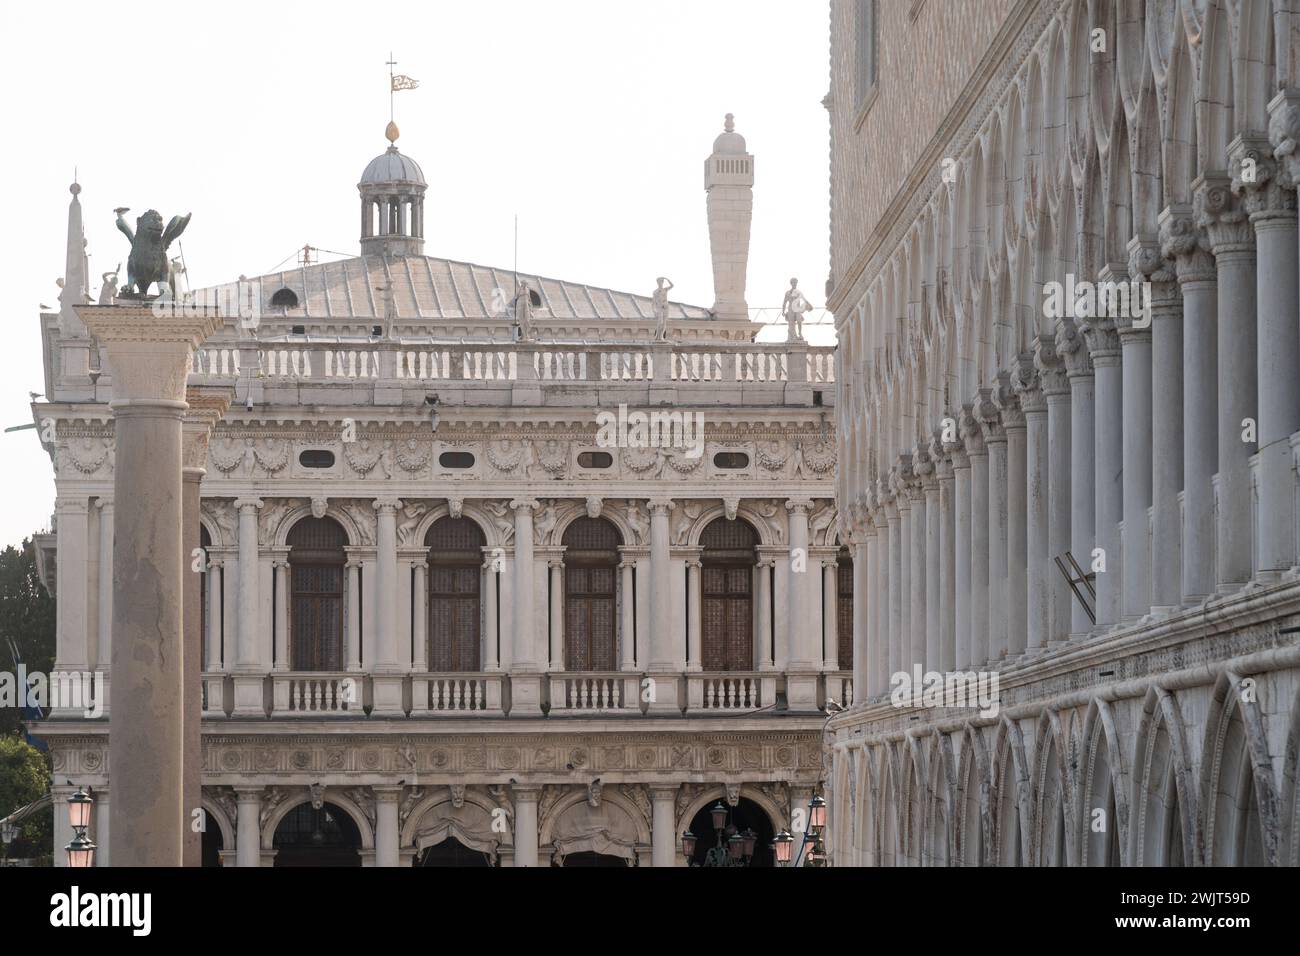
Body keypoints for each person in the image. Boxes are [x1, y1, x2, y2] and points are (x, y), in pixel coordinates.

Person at [782, 278, 812, 343]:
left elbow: (804, 299)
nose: (795, 284)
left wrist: (809, 305)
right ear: (791, 283)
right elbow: (784, 302)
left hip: (797, 308)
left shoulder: (798, 292)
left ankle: (800, 333)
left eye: (796, 283)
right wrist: (783, 311)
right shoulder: (787, 293)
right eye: (794, 282)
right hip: (790, 309)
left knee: (799, 320)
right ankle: (793, 336)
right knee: (791, 323)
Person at [652, 276, 674, 342]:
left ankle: (661, 336)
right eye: (659, 282)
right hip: (659, 308)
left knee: (664, 323)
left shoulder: (665, 289)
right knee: (660, 322)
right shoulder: (655, 292)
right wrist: (654, 310)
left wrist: (667, 279)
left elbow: (672, 285)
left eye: (662, 282)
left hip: (665, 307)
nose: (660, 283)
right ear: (657, 283)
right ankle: (657, 336)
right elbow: (653, 302)